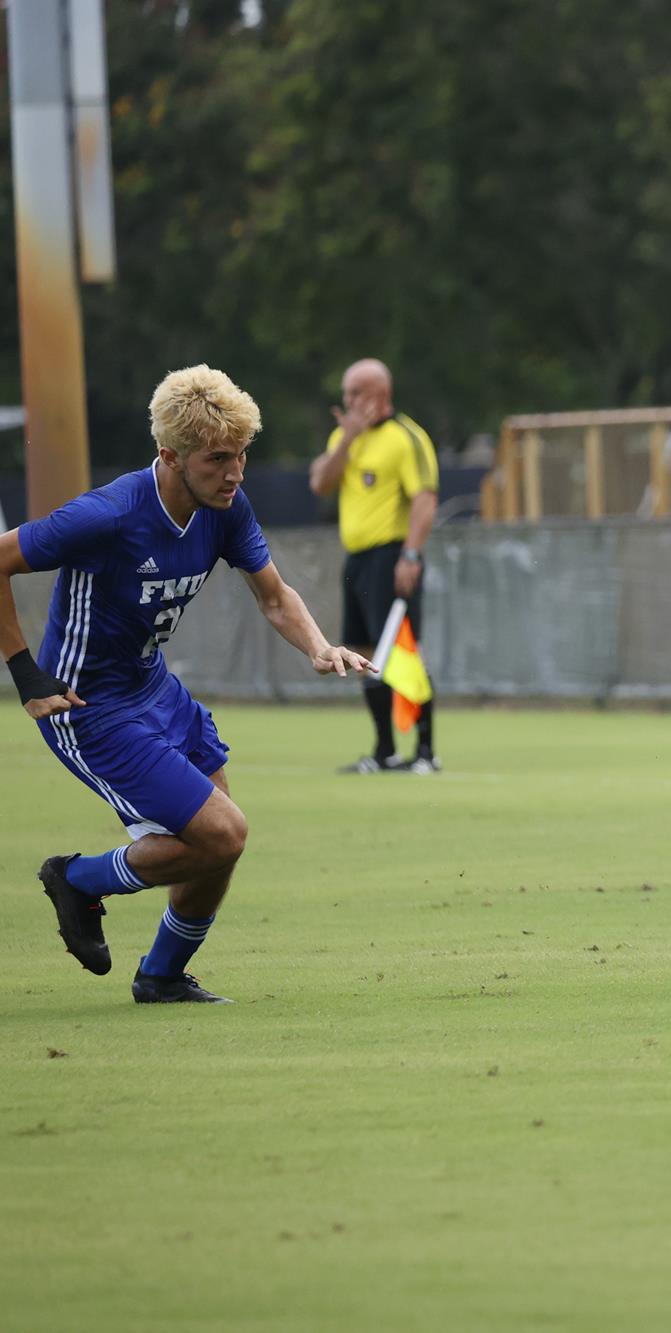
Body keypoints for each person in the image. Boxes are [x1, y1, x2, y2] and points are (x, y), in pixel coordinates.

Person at [1, 366, 372, 1003]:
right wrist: (25, 673)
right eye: (218, 459)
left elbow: (276, 597)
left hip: (154, 690)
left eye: (243, 455)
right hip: (88, 706)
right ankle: (81, 879)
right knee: (224, 833)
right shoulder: (109, 513)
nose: (235, 473)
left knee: (216, 846)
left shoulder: (225, 508)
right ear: (169, 456)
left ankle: (162, 975)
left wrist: (319, 647)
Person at [308, 357, 442, 773]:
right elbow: (320, 483)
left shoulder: (406, 437)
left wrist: (411, 554)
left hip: (391, 557)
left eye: (355, 393)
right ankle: (384, 750)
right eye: (345, 394)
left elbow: (424, 498)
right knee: (365, 654)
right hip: (358, 560)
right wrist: (347, 440)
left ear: (380, 395)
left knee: (402, 652)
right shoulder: (344, 437)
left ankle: (425, 752)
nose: (347, 401)